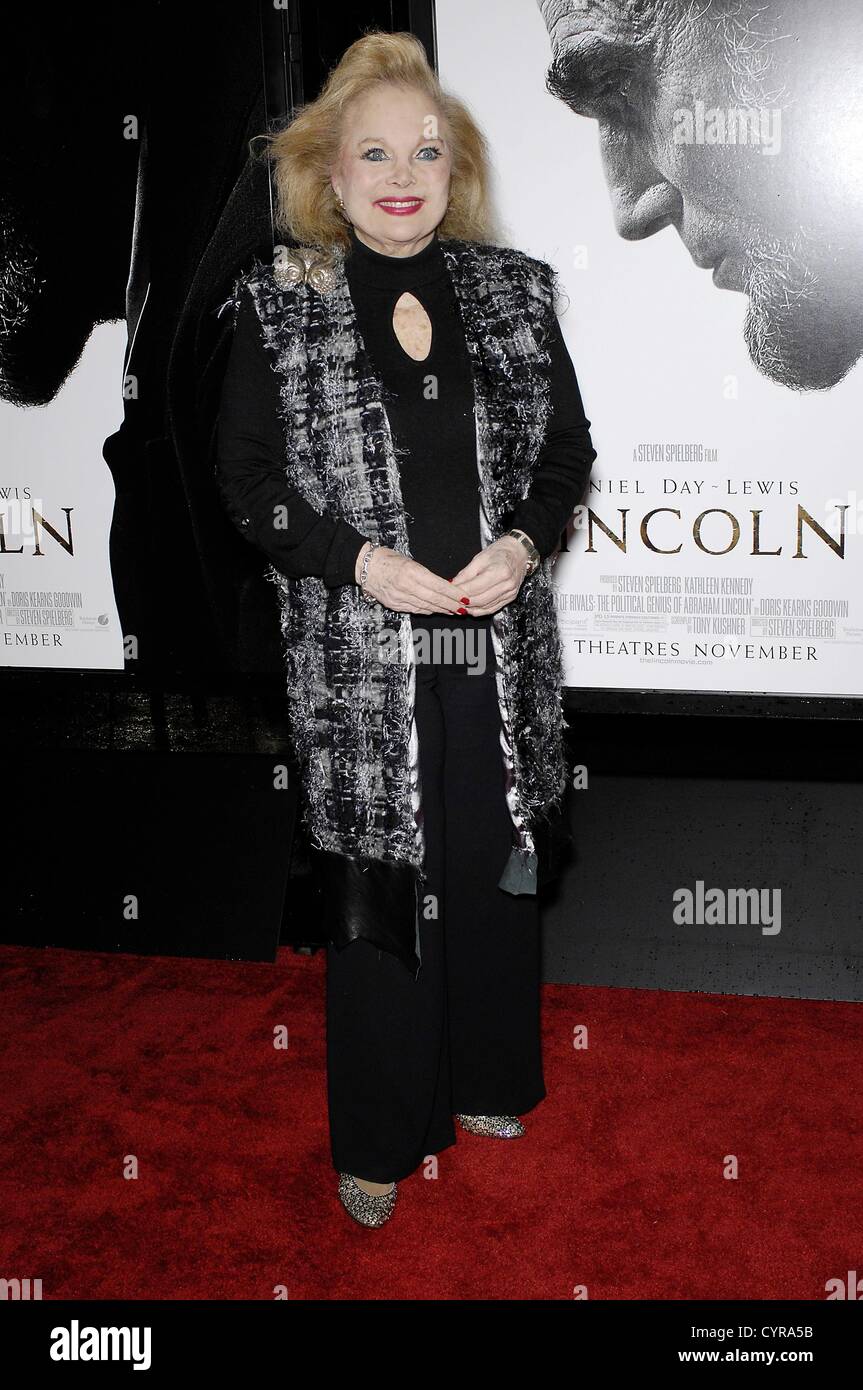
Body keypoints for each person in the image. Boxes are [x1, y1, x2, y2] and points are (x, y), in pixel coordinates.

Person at [215, 30, 597, 1228]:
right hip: (361, 665)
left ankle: (489, 1075)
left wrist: (523, 547)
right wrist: (359, 561)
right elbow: (248, 478)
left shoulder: (513, 291)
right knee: (383, 888)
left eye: (425, 151)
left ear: (454, 169)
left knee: (492, 864)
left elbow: (564, 460)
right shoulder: (281, 305)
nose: (401, 172)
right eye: (372, 151)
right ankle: (377, 1138)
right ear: (328, 174)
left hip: (488, 652)